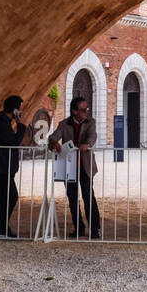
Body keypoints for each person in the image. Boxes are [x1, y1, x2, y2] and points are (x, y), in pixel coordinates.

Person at [48, 95, 101, 238]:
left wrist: (87, 144)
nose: (86, 112)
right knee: (72, 198)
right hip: (69, 167)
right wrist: (54, 143)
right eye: (83, 110)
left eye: (86, 109)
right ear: (74, 111)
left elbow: (92, 136)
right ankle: (79, 228)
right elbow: (53, 137)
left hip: (85, 166)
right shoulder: (64, 124)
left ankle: (95, 228)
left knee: (88, 196)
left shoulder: (91, 122)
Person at [0, 95, 27, 236]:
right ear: (15, 110)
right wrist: (21, 125)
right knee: (11, 196)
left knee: (5, 196)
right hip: (2, 166)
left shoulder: (3, 122)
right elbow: (14, 142)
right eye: (19, 108)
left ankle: (1, 228)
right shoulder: (2, 124)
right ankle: (1, 228)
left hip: (4, 165)